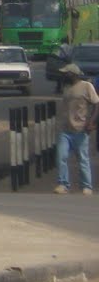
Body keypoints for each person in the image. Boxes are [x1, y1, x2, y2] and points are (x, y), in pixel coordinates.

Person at [53, 62, 98, 195]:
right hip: (65, 129)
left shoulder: (86, 86)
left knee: (83, 159)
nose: (63, 76)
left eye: (66, 73)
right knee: (61, 156)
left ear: (72, 74)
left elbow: (97, 104)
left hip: (80, 129)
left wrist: (92, 122)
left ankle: (86, 186)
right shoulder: (66, 88)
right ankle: (63, 184)